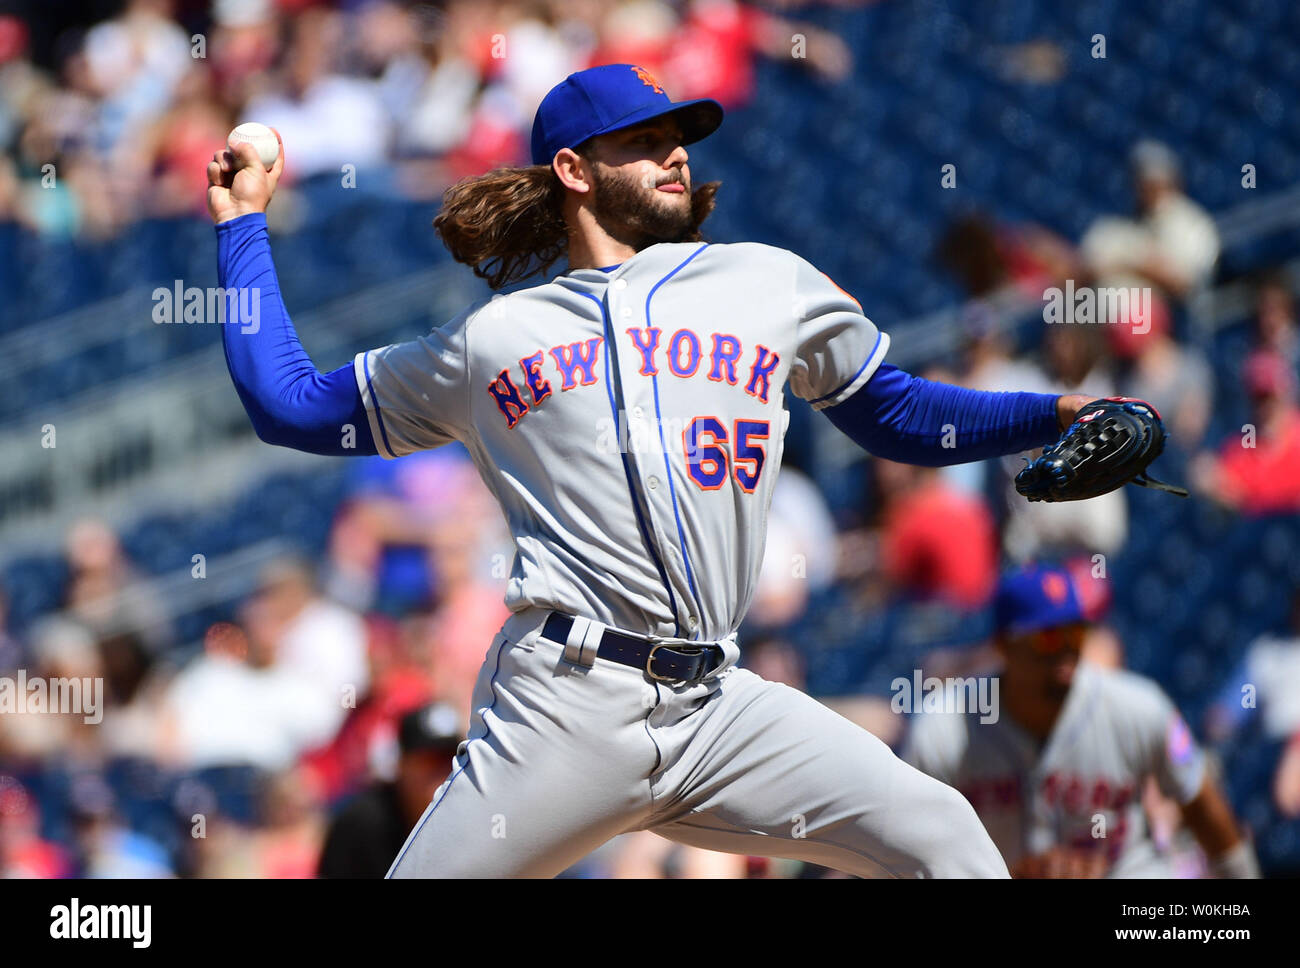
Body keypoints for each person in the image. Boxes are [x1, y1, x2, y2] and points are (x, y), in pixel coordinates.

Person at [208, 63, 1098, 878]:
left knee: (941, 833)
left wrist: (1052, 413)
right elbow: (288, 404)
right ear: (573, 169)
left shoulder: (767, 284)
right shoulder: (496, 338)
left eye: (678, 135)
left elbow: (896, 412)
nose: (675, 153)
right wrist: (242, 224)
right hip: (562, 707)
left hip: (719, 706)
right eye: (641, 140)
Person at [903, 565, 1259, 878]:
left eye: (1076, 634)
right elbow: (909, 841)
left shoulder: (1139, 708)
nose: (1066, 651)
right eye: (1048, 637)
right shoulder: (944, 727)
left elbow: (1197, 798)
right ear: (1003, 645)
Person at [317, 702, 462, 879]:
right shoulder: (362, 823)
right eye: (429, 760)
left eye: (449, 758)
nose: (441, 770)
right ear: (401, 764)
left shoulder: (468, 819)